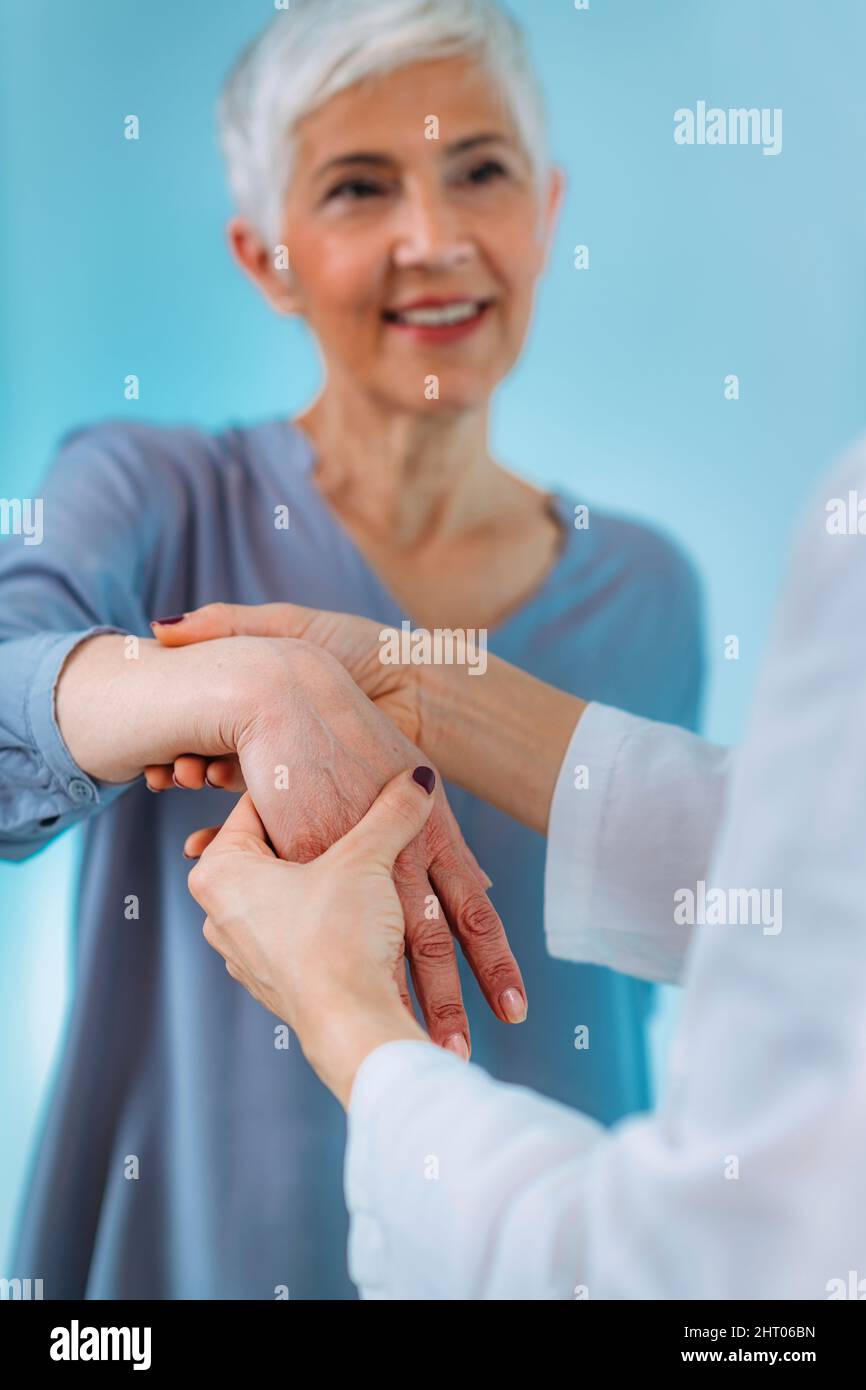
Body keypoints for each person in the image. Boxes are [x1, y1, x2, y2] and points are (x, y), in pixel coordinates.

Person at [0, 0, 702, 1298]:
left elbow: (690, 961)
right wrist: (244, 676)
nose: (431, 242)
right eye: (358, 187)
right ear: (264, 256)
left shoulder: (646, 589)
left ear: (544, 213)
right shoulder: (155, 494)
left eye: (477, 171)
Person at [181, 435, 866, 1299]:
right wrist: (406, 685)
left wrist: (345, 1013)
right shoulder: (170, 490)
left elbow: (719, 1285)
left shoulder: (653, 581)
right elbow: (819, 875)